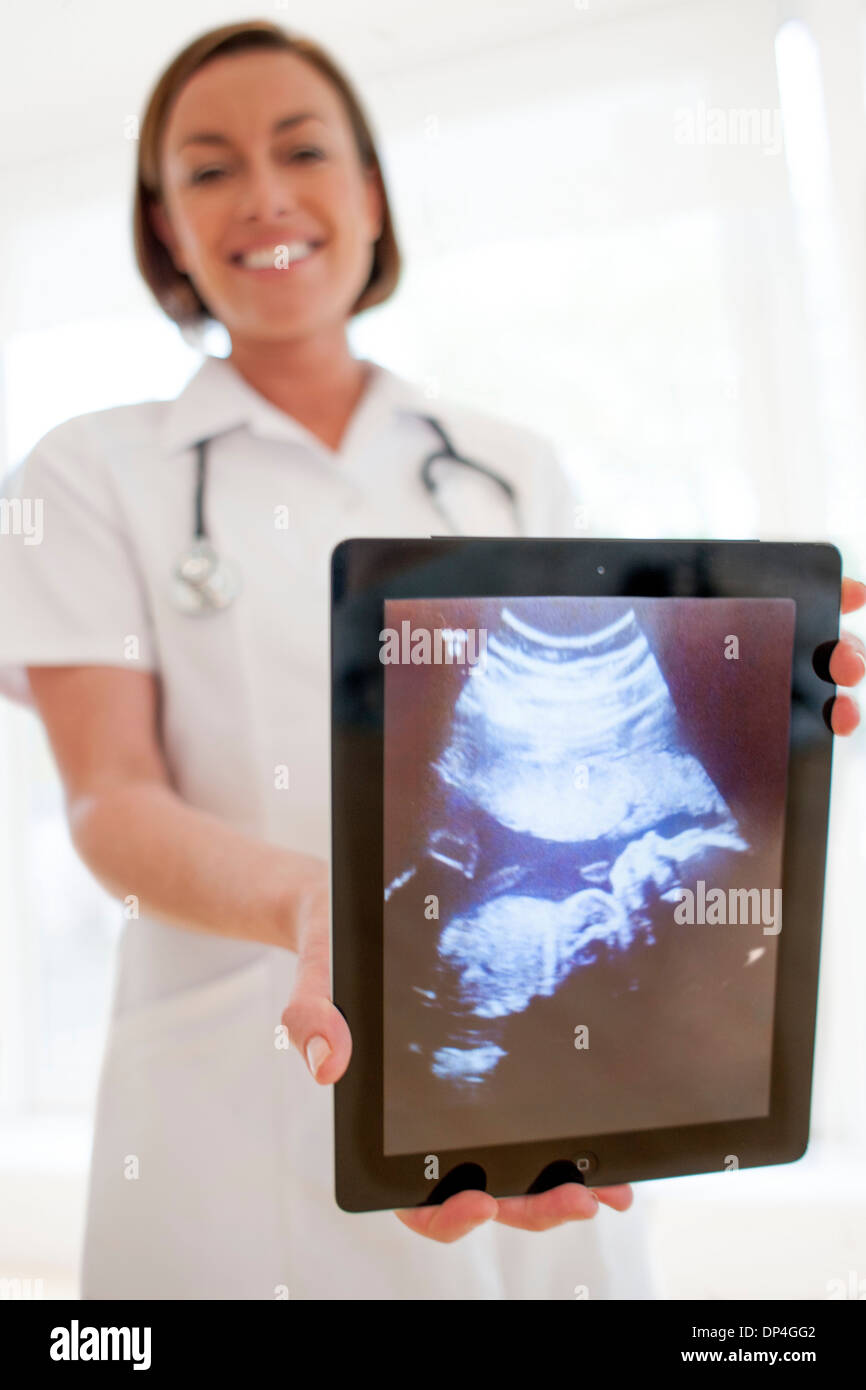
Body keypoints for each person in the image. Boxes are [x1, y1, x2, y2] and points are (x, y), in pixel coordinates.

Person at [0, 20, 862, 1301]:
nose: (267, 195)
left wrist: (760, 712)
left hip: (525, 1059)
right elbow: (106, 798)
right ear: (167, 227)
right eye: (208, 168)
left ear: (370, 195)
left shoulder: (509, 463)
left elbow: (623, 766)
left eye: (304, 150)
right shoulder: (88, 472)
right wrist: (316, 904)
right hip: (227, 1089)